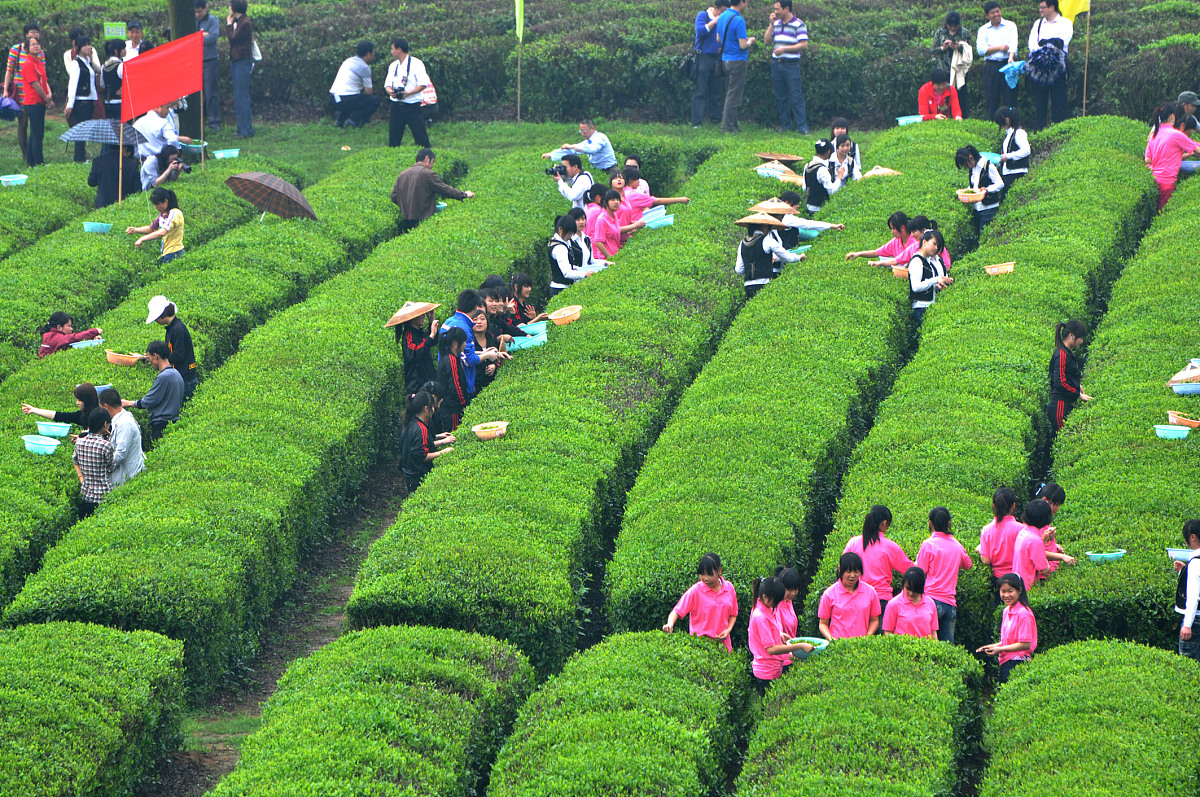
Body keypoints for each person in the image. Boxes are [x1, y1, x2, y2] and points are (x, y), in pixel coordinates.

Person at [843, 504, 914, 620]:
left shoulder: (853, 543)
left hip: (857, 598)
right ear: (885, 523)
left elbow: (842, 567)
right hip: (882, 600)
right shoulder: (890, 546)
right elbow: (910, 570)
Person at [916, 506, 972, 644]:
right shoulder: (956, 545)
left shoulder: (928, 545)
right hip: (950, 604)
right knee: (947, 649)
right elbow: (968, 565)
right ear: (948, 523)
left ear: (930, 523)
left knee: (928, 646)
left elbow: (920, 572)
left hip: (931, 601)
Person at [663, 552, 739, 651]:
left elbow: (733, 614)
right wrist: (670, 624)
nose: (705, 578)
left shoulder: (729, 588)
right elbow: (676, 611)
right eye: (702, 574)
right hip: (701, 646)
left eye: (710, 574)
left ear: (719, 571)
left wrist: (728, 630)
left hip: (724, 646)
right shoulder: (695, 591)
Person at [749, 576, 813, 692]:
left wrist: (779, 634)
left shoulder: (766, 608)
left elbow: (766, 632)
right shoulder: (761, 616)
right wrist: (800, 646)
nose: (778, 605)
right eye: (776, 601)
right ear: (765, 597)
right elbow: (771, 649)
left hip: (773, 668)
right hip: (766, 671)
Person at [439, 289, 505, 401]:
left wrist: (485, 352)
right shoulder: (464, 328)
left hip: (445, 379)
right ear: (475, 308)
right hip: (458, 386)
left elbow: (461, 353)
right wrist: (488, 356)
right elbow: (468, 360)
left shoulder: (449, 321)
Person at [390, 148, 474, 233]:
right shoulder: (427, 174)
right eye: (432, 162)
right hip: (423, 219)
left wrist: (406, 206)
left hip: (406, 219)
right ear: (427, 159)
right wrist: (464, 194)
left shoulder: (402, 175)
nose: (432, 166)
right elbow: (444, 189)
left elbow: (394, 196)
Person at [977, 573, 1037, 682]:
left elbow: (1025, 644)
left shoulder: (1024, 613)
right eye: (1003, 591)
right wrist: (993, 646)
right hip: (1005, 660)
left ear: (1019, 590)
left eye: (1010, 591)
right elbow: (1009, 640)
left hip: (1018, 662)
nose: (1006, 595)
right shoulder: (1006, 610)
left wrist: (999, 649)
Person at [122, 340, 184, 442]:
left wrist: (129, 403)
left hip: (161, 424)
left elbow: (149, 401)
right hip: (173, 420)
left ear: (155, 356)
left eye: (149, 358)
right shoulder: (176, 373)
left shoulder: (164, 377)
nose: (150, 362)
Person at [1026, 0, 1072, 132]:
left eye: (1043, 7)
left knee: (1059, 102)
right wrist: (1048, 45)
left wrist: (1044, 44)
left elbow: (1061, 42)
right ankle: (1038, 132)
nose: (1040, 10)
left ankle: (1060, 132)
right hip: (1040, 68)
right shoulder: (1038, 23)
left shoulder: (1065, 23)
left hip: (1058, 67)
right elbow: (1032, 45)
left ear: (1052, 7)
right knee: (1040, 102)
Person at [764, 0, 809, 134]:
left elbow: (803, 44)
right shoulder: (776, 24)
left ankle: (802, 127)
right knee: (780, 97)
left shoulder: (798, 24)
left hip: (791, 65)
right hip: (776, 64)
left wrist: (785, 50)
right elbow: (766, 41)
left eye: (778, 9)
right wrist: (771, 24)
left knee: (796, 96)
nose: (775, 12)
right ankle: (785, 126)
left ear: (786, 8)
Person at [734, 213, 804, 298]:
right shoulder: (767, 241)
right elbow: (787, 257)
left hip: (748, 286)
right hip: (764, 284)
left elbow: (739, 270)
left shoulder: (742, 243)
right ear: (764, 227)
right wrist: (800, 257)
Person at [1147, 103, 1200, 211]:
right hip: (1166, 183)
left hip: (1153, 179)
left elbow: (1147, 159)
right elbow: (1197, 150)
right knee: (1162, 216)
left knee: (1156, 217)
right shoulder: (1175, 134)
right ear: (1172, 116)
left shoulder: (1154, 134)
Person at [818, 552, 881, 640]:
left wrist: (867, 638)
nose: (852, 576)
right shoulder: (829, 594)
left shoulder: (870, 592)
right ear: (840, 569)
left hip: (861, 645)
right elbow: (823, 623)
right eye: (848, 571)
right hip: (838, 644)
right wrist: (831, 639)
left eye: (856, 572)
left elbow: (874, 620)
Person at [145, 295, 198, 400]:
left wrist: (160, 360)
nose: (155, 320)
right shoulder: (171, 328)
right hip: (181, 377)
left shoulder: (177, 329)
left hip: (185, 379)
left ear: (162, 314)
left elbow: (178, 355)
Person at [4, 23, 44, 160]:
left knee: (35, 123)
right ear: (26, 34)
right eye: (32, 32)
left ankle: (33, 154)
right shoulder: (16, 49)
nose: (35, 35)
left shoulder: (40, 52)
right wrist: (5, 91)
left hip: (35, 92)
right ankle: (25, 154)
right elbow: (9, 71)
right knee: (23, 123)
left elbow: (42, 74)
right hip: (20, 92)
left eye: (37, 32)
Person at [399, 391, 453, 494]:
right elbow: (422, 456)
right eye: (432, 407)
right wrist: (444, 452)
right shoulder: (421, 429)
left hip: (408, 473)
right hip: (417, 475)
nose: (434, 409)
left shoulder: (410, 422)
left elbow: (422, 443)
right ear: (426, 409)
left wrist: (440, 438)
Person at [383, 38, 431, 147]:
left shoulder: (416, 64)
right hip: (396, 105)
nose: (391, 52)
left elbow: (423, 84)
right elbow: (387, 85)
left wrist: (408, 93)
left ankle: (426, 157)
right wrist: (391, 92)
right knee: (394, 138)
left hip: (412, 106)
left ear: (399, 49)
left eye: (393, 49)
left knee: (420, 136)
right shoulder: (393, 66)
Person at [717, 0, 755, 134]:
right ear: (742, 2)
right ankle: (727, 127)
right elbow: (742, 45)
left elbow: (718, 39)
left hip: (725, 60)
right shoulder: (739, 20)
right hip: (737, 60)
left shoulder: (722, 16)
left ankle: (733, 125)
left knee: (730, 92)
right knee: (733, 95)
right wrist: (750, 41)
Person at [1046, 319, 1090, 431]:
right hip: (1060, 406)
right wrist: (1078, 394)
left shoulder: (1066, 353)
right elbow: (1060, 382)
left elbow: (1067, 376)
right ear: (1071, 336)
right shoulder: (1061, 355)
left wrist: (1077, 386)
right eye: (1080, 337)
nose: (1081, 341)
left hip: (1065, 404)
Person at [977, 1, 1018, 121]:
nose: (996, 14)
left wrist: (1011, 57)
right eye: (992, 13)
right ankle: (992, 125)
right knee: (991, 98)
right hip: (991, 67)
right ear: (987, 15)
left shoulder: (1010, 26)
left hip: (1007, 64)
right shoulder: (983, 30)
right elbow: (981, 50)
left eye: (998, 11)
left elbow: (1013, 44)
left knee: (1010, 97)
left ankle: (1012, 125)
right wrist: (999, 48)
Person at [1018, 498, 1075, 584]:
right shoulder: (1035, 540)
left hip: (1018, 581)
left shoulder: (1023, 532)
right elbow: (1044, 569)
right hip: (1028, 585)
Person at [691, 0, 729, 127]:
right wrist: (714, 21)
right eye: (722, 12)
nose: (723, 15)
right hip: (703, 58)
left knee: (716, 91)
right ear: (716, 8)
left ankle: (715, 120)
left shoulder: (723, 20)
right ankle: (696, 122)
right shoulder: (703, 15)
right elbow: (700, 31)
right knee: (700, 91)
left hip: (717, 59)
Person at [977, 487, 1022, 594]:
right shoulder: (1021, 529)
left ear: (994, 506)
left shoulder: (986, 530)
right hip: (1017, 577)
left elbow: (986, 560)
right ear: (1013, 506)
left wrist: (980, 549)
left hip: (998, 580)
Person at [72, 407, 115, 518]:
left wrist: (81, 477)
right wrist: (108, 439)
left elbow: (75, 460)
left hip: (86, 494)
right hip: (103, 495)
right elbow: (111, 467)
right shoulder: (106, 445)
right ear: (105, 424)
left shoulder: (79, 442)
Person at [328, 40, 379, 129]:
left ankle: (340, 122)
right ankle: (353, 121)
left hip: (333, 98)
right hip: (344, 100)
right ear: (368, 54)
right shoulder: (364, 67)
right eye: (373, 52)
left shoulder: (348, 61)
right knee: (374, 101)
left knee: (353, 97)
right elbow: (368, 92)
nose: (373, 54)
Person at [99, 387, 144, 487]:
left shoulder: (125, 423)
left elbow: (120, 454)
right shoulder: (119, 420)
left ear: (106, 407)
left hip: (127, 480)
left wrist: (99, 466)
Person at [64, 36, 99, 163]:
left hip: (89, 100)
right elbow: (72, 85)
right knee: (81, 131)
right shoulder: (76, 63)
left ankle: (81, 155)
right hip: (81, 101)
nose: (88, 47)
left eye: (89, 44)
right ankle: (78, 157)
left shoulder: (88, 62)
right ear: (78, 48)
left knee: (84, 131)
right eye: (85, 45)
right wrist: (70, 104)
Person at [615, 167, 690, 226]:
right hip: (634, 229)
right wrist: (680, 200)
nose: (639, 182)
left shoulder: (622, 192)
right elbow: (658, 201)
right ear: (631, 180)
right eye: (638, 179)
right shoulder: (634, 195)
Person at [127, 188, 185, 263]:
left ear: (166, 201)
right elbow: (151, 228)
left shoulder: (174, 213)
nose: (156, 207)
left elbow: (162, 232)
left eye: (158, 204)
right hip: (166, 252)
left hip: (174, 252)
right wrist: (135, 229)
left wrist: (142, 239)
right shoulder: (162, 214)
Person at [907, 228, 952, 322]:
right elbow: (915, 287)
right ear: (924, 242)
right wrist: (936, 279)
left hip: (928, 306)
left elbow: (926, 282)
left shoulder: (928, 261)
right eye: (934, 244)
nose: (936, 248)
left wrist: (937, 285)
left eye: (938, 245)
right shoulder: (917, 261)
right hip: (921, 308)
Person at [955, 145, 1004, 230]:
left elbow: (1000, 183)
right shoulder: (972, 169)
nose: (966, 167)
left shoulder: (987, 166)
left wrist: (987, 189)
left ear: (971, 158)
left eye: (966, 164)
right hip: (977, 208)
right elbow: (975, 186)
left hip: (989, 208)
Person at [881, 567, 938, 639]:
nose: (910, 593)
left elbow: (933, 632)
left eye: (915, 591)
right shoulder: (894, 604)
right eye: (908, 589)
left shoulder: (930, 603)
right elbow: (888, 632)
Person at [545, 119, 618, 176]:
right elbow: (572, 151)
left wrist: (572, 146)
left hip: (611, 170)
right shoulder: (588, 141)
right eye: (581, 131)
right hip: (598, 170)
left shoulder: (600, 137)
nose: (583, 134)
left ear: (593, 128)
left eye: (585, 131)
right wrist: (551, 154)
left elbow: (592, 149)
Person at [19, 36, 50, 167]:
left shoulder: (38, 63)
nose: (36, 46)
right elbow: (35, 84)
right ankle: (38, 162)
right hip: (33, 102)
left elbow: (44, 81)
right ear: (27, 49)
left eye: (37, 44)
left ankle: (31, 163)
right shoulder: (28, 64)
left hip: (39, 101)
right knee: (38, 134)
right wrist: (45, 97)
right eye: (33, 45)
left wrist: (49, 95)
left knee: (35, 133)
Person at [932, 11, 972, 112]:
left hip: (960, 71)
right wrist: (943, 48)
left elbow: (971, 51)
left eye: (955, 26)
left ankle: (961, 116)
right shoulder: (940, 33)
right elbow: (932, 50)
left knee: (961, 97)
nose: (953, 28)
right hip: (943, 70)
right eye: (950, 26)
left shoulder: (965, 33)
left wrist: (959, 47)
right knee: (944, 97)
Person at [226, 0, 255, 138]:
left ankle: (245, 130)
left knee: (241, 96)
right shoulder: (241, 21)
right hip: (237, 59)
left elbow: (233, 38)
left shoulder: (245, 23)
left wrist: (229, 24)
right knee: (239, 96)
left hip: (242, 61)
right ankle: (243, 128)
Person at [591, 189, 643, 260]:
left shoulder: (614, 215)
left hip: (616, 254)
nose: (616, 202)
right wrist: (609, 257)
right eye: (613, 200)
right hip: (607, 259)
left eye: (618, 200)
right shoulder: (601, 220)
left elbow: (617, 230)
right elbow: (598, 242)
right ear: (606, 202)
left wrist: (633, 226)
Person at [1174, 519, 1200, 663]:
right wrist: (1184, 570)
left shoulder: (1196, 563)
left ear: (1193, 537)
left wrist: (1187, 625)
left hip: (1196, 620)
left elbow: (1194, 597)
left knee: (1189, 664)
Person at [22, 383, 100, 429]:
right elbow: (59, 416)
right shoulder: (82, 414)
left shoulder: (100, 415)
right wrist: (34, 410)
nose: (77, 403)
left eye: (80, 400)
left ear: (86, 400)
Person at [548, 215, 592, 297]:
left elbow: (567, 265)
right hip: (560, 289)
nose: (570, 237)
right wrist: (584, 274)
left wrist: (577, 269)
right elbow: (566, 273)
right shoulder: (559, 248)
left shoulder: (558, 242)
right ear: (560, 229)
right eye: (569, 233)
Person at [399, 308, 440, 394]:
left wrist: (431, 320)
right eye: (421, 315)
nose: (423, 316)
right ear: (413, 318)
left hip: (427, 377)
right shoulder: (408, 334)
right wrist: (431, 335)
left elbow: (433, 341)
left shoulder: (419, 332)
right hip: (416, 384)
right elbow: (415, 353)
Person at [436, 326, 469, 432]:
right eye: (463, 341)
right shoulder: (451, 360)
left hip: (450, 408)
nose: (465, 344)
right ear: (455, 343)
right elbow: (455, 385)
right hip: (452, 410)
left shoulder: (449, 358)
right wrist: (464, 404)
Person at [195, 0, 221, 130]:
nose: (198, 14)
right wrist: (202, 35)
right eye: (195, 12)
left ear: (205, 9)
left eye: (200, 11)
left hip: (209, 61)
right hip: (195, 62)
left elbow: (213, 38)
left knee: (211, 93)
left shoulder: (213, 20)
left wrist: (197, 37)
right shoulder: (192, 20)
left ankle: (214, 123)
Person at [995, 106, 1030, 195]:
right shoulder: (1008, 135)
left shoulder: (1019, 133)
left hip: (1017, 172)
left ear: (1007, 120)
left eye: (1001, 123)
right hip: (1008, 172)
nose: (1001, 126)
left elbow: (1026, 150)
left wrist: (1008, 156)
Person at [37, 312, 101, 358]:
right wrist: (94, 331)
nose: (71, 329)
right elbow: (73, 338)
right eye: (69, 326)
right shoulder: (53, 337)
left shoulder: (51, 335)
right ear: (59, 327)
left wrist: (93, 339)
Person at [803, 139, 843, 214]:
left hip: (809, 205)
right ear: (828, 151)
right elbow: (831, 191)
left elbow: (804, 187)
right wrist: (839, 177)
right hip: (819, 208)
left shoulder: (807, 165)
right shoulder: (822, 170)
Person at [773, 566, 803, 665]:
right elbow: (778, 634)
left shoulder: (788, 602)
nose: (793, 593)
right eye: (789, 590)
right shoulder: (776, 606)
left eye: (795, 589)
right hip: (783, 658)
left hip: (791, 654)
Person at [100, 39, 126, 120]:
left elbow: (102, 84)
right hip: (120, 103)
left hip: (108, 103)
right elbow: (129, 82)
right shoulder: (121, 66)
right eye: (123, 49)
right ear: (116, 51)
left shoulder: (104, 66)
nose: (125, 51)